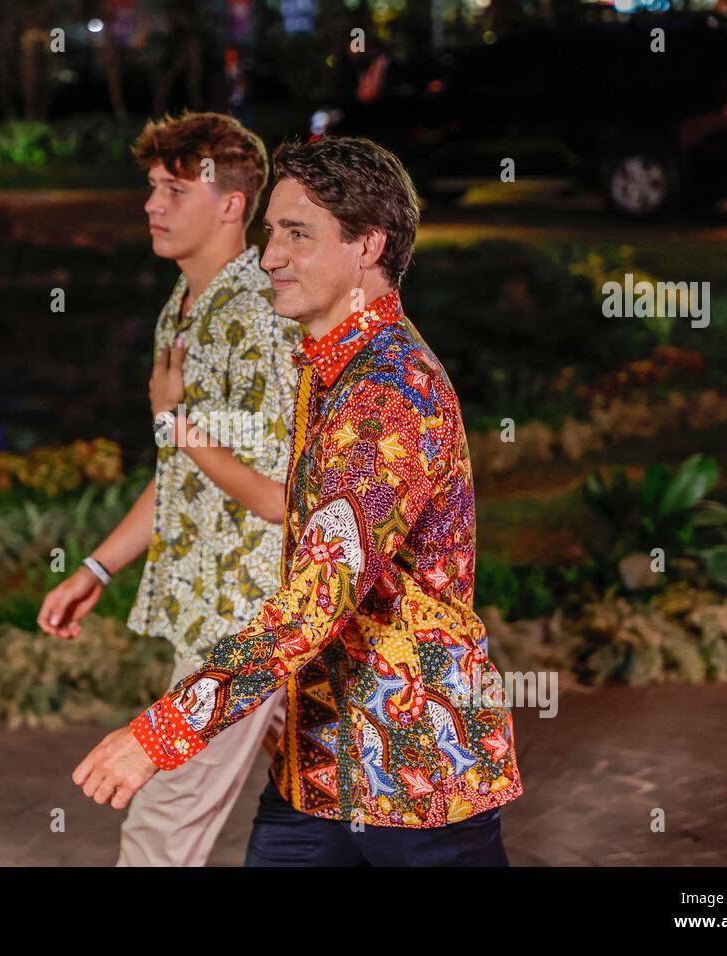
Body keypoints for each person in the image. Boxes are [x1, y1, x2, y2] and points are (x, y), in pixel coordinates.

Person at [73, 135, 524, 866]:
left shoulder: (388, 396)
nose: (270, 256)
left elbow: (320, 596)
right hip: (316, 769)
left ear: (368, 245)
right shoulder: (326, 367)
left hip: (415, 777)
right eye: (270, 232)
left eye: (297, 235)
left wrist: (162, 733)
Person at [37, 111, 302, 866]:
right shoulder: (181, 312)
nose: (152, 205)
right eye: (152, 186)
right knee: (332, 810)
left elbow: (278, 496)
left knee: (161, 826)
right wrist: (98, 567)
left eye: (175, 189)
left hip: (249, 620)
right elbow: (183, 477)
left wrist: (178, 421)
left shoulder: (257, 314)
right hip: (220, 613)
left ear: (230, 205)